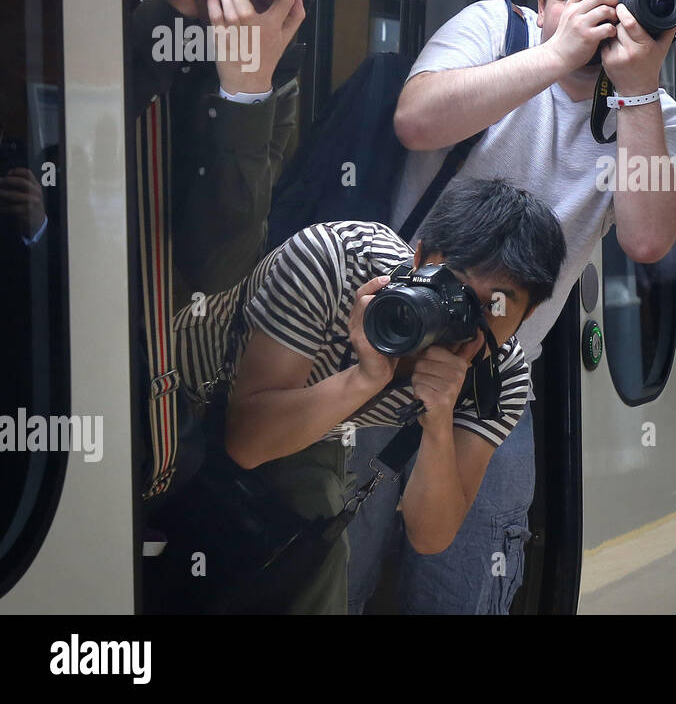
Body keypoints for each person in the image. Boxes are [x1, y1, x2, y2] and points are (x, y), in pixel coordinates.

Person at [347, 0, 676, 614]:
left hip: (494, 387)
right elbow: (416, 121)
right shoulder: (495, 30)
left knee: (461, 595)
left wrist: (639, 89)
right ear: (541, 2)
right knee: (333, 577)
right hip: (381, 352)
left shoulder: (652, 113)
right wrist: (557, 55)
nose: (594, 9)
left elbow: (650, 240)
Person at [179, 179, 566, 613]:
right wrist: (366, 377)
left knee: (313, 561)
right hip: (175, 398)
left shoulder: (500, 375)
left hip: (298, 423)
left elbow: (431, 535)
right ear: (419, 258)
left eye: (495, 305)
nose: (463, 318)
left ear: (528, 314)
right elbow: (247, 443)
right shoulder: (333, 262)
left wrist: (438, 422)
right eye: (453, 287)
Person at [129, 0, 350, 300]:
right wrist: (163, 16)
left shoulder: (279, 68)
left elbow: (218, 270)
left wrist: (246, 89)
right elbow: (67, 142)